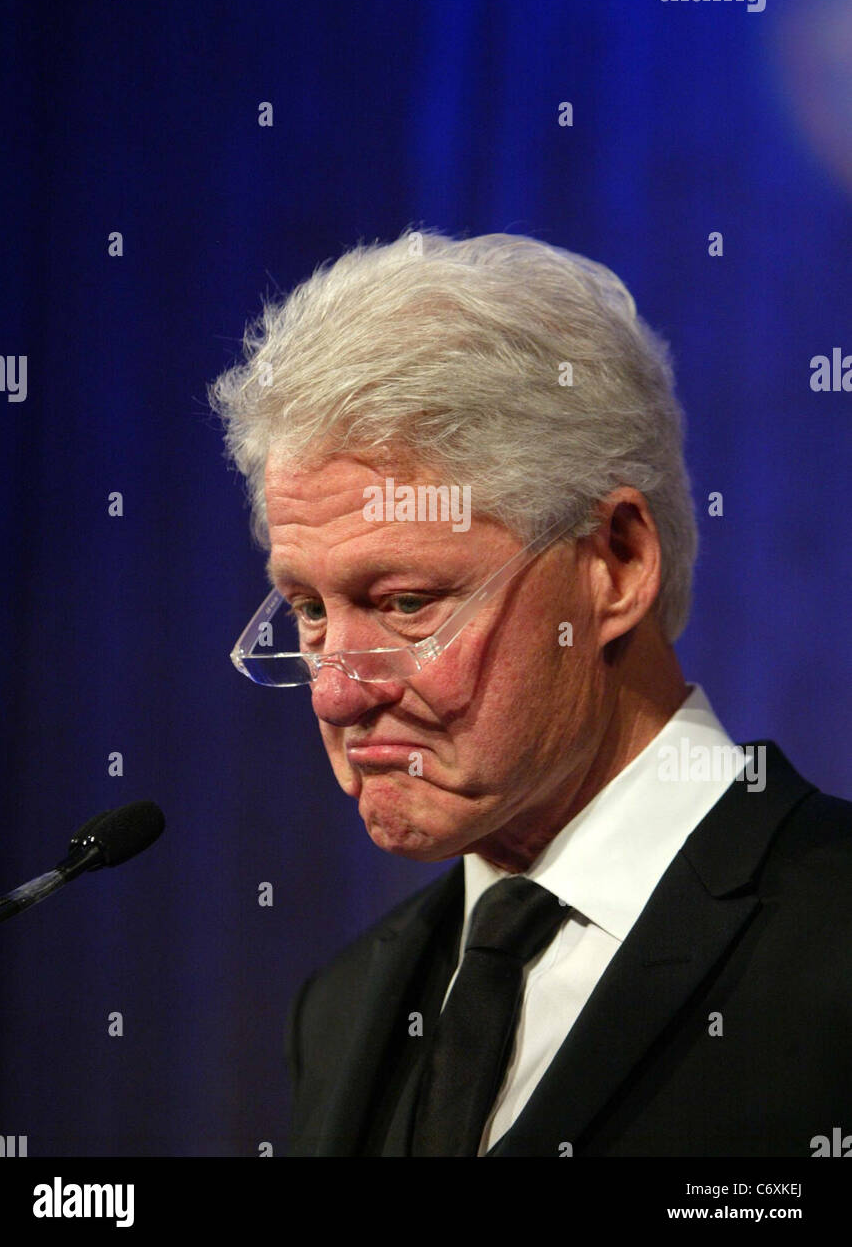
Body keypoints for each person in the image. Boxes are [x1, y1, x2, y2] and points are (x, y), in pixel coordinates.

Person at [209, 228, 852, 1157]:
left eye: (407, 603)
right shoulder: (341, 1009)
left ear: (616, 565)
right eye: (309, 611)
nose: (335, 697)